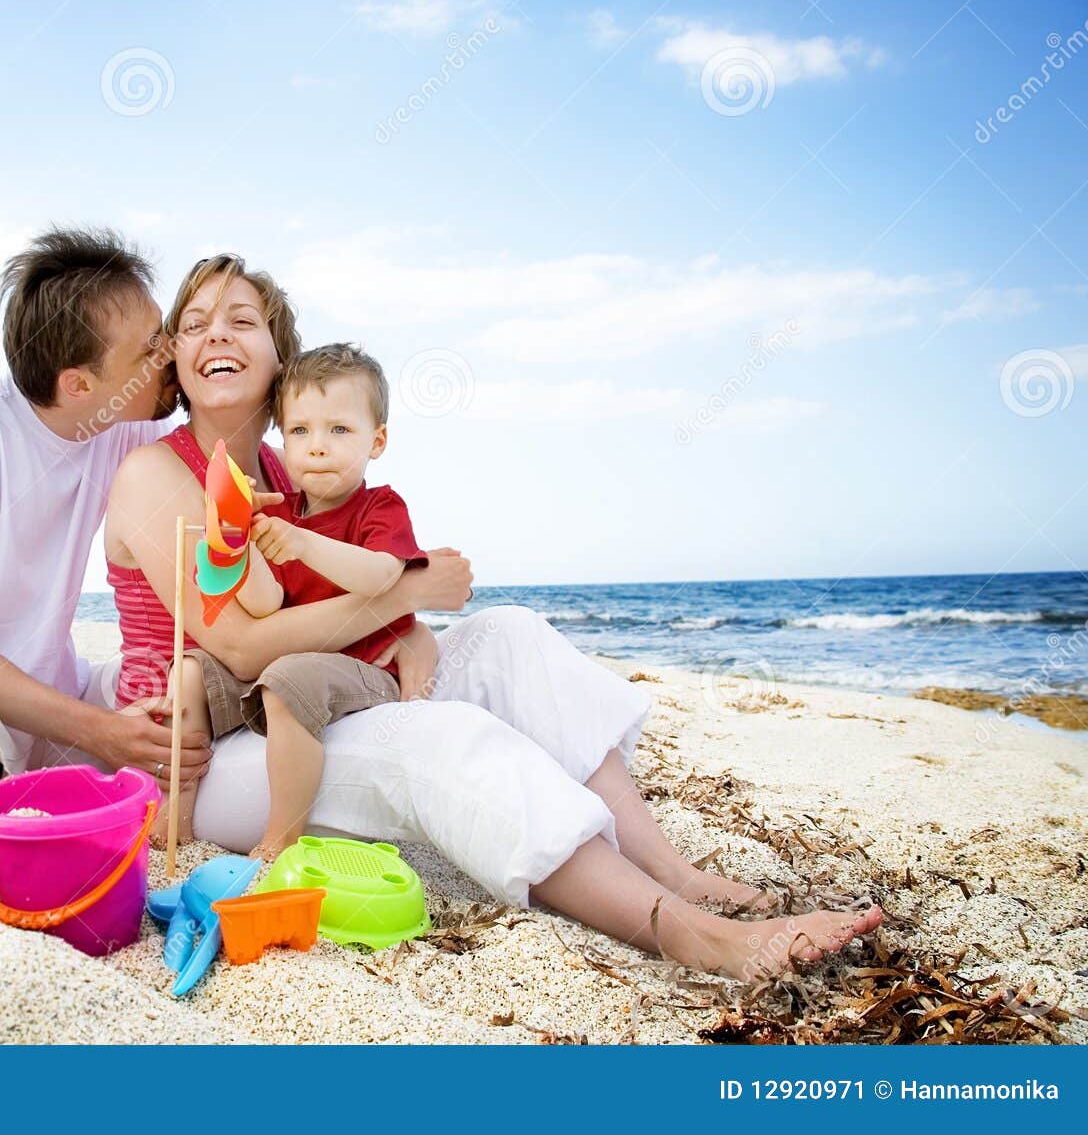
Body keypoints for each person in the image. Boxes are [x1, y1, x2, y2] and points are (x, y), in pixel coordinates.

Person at [104, 253, 882, 986]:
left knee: (507, 634)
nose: (217, 334)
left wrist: (405, 629)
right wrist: (405, 595)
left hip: (300, 705)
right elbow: (236, 640)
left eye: (242, 319)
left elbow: (327, 597)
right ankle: (675, 925)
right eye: (197, 320)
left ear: (283, 361)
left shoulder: (288, 472)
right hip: (212, 755)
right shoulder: (154, 473)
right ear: (173, 355)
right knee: (430, 738)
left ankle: (670, 867)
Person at [0, 229, 474, 1016]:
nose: (171, 354)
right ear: (78, 383)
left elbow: (243, 464)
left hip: (49, 692)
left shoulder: (119, 424)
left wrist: (397, 622)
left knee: (153, 698)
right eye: (151, 347)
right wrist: (100, 733)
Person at [155, 343, 432, 859]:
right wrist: (241, 547)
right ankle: (178, 807)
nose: (318, 446)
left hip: (362, 666)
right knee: (188, 669)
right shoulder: (288, 517)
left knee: (286, 679)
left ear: (378, 440)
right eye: (301, 431)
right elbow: (267, 603)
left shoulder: (381, 506)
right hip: (287, 665)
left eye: (339, 430)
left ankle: (282, 838)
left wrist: (303, 543)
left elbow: (381, 576)